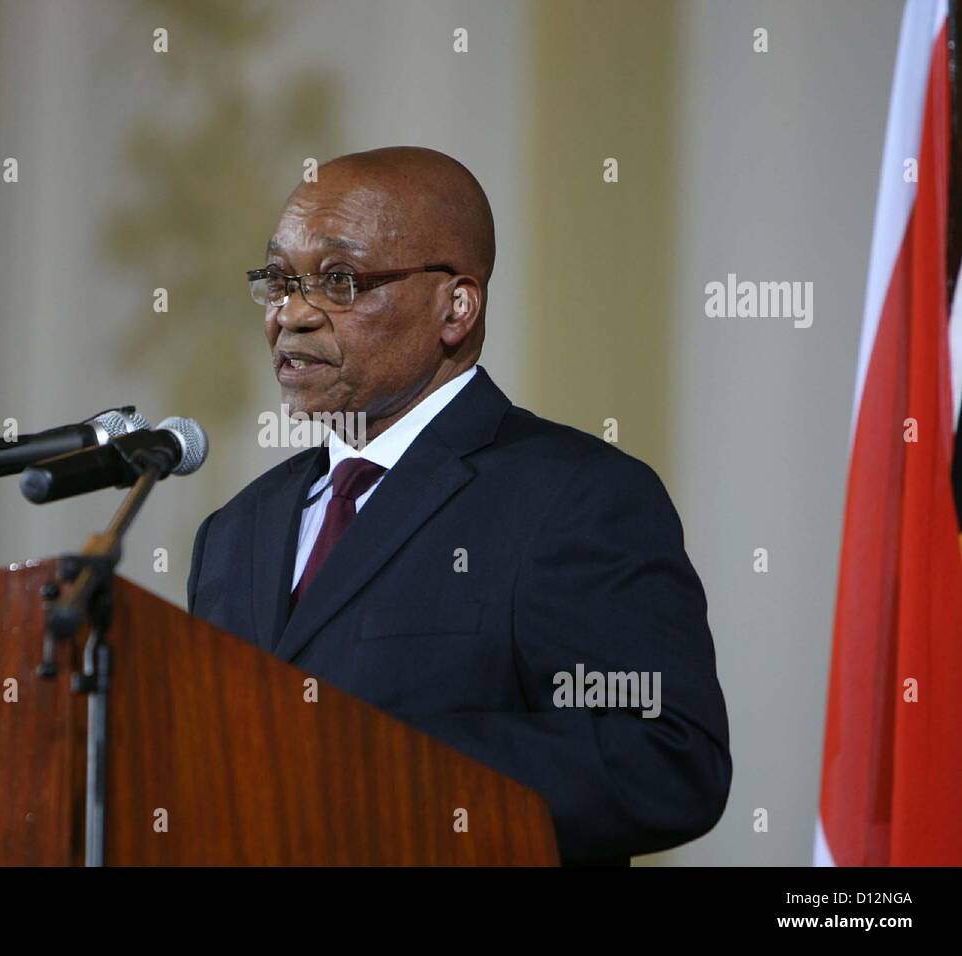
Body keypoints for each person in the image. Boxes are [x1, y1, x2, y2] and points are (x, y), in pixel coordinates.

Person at [187, 146, 731, 864]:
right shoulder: (236, 530)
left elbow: (665, 755)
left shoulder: (574, 496)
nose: (292, 315)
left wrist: (368, 763)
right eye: (280, 281)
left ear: (456, 306)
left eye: (338, 281)